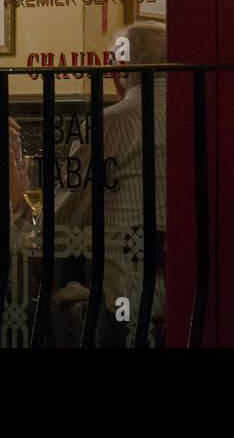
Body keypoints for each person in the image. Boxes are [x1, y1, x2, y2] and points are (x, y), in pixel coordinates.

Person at [50, 20, 169, 347]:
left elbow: (62, 222)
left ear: (120, 68)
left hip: (126, 314)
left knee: (51, 306)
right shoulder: (203, 113)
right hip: (197, 306)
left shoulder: (108, 124)